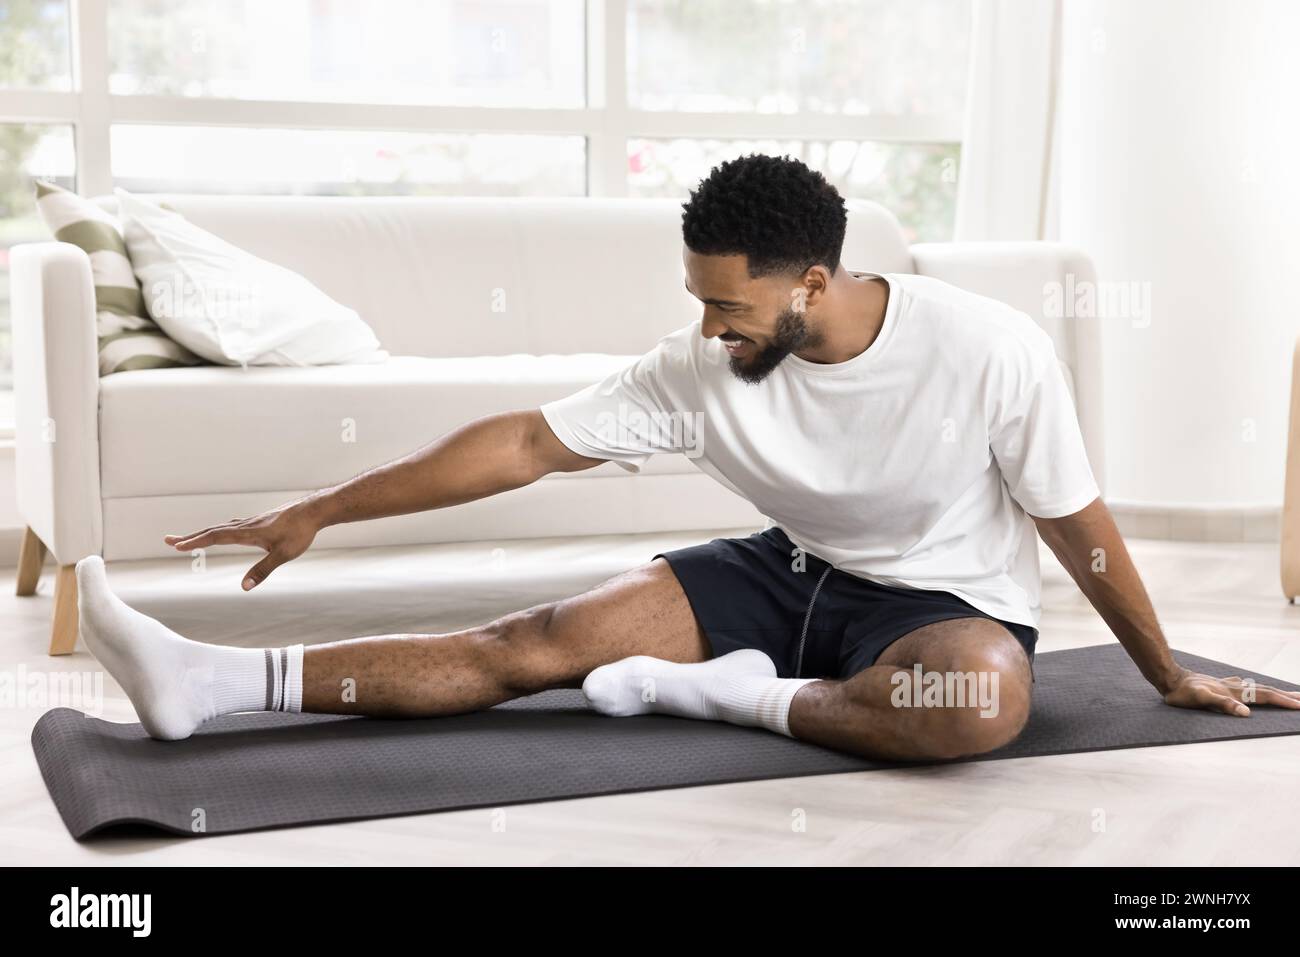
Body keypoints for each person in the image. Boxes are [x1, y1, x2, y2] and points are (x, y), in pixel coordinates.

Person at [76, 154, 1300, 755]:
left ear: (812, 284)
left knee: (977, 703)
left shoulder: (989, 349)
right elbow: (517, 444)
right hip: (785, 570)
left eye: (731, 308)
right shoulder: (697, 364)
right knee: (534, 643)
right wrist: (320, 509)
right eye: (699, 303)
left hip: (941, 602)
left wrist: (1163, 670)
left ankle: (729, 694)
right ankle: (216, 686)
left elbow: (1074, 525)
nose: (710, 330)